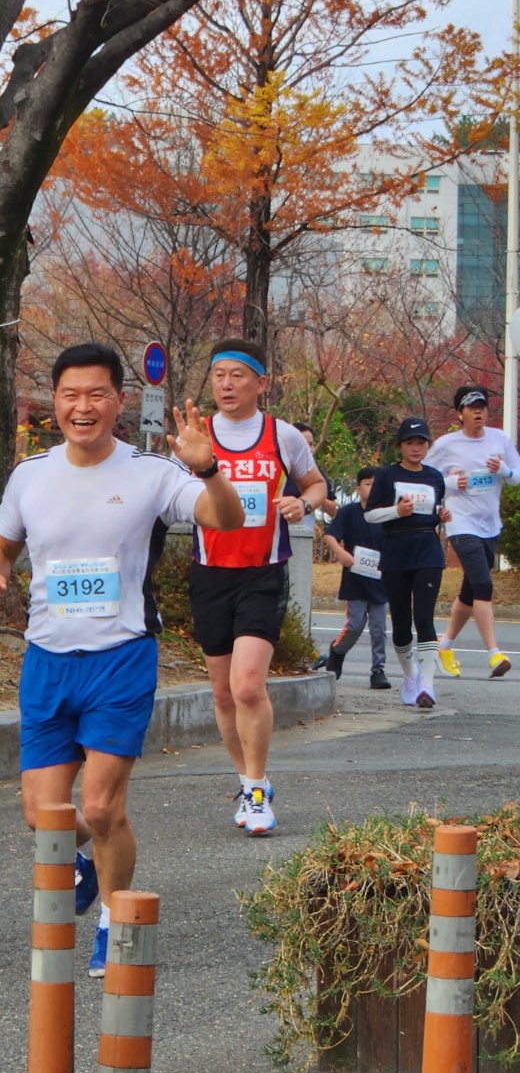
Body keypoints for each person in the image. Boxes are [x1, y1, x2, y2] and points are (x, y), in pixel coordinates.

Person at [0, 342, 243, 977]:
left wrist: (208, 470)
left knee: (99, 808)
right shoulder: (29, 475)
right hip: (47, 659)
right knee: (43, 814)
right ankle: (89, 863)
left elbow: (222, 521)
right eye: (70, 395)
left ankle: (115, 919)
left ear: (118, 401)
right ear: (55, 403)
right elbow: (2, 545)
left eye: (96, 395)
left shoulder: (150, 473)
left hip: (120, 658)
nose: (82, 407)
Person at [189, 338, 328, 837]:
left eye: (238, 375)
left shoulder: (282, 435)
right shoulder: (198, 436)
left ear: (261, 383)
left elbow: (316, 484)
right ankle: (249, 782)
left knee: (248, 684)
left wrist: (303, 505)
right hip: (210, 572)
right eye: (219, 375)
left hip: (262, 572)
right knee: (223, 695)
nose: (227, 384)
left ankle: (254, 788)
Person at [425, 386, 520, 679]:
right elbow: (425, 479)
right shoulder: (446, 444)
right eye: (471, 407)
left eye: (482, 406)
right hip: (460, 522)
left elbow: (517, 478)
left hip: (489, 524)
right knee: (483, 583)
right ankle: (494, 653)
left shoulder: (500, 439)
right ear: (460, 415)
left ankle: (446, 644)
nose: (478, 412)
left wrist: (503, 470)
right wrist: (452, 484)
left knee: (470, 589)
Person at [364, 417, 450, 707]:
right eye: (410, 443)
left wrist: (442, 516)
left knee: (424, 618)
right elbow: (370, 515)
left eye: (421, 443)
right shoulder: (386, 475)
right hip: (396, 549)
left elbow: (434, 512)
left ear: (428, 445)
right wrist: (396, 511)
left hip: (427, 547)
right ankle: (410, 675)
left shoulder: (435, 477)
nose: (416, 448)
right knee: (401, 624)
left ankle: (427, 685)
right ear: (400, 445)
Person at [320, 468, 391, 689]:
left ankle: (378, 670)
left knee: (379, 628)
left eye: (376, 484)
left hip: (381, 579)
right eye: (368, 483)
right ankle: (337, 651)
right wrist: (341, 553)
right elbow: (330, 535)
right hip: (356, 578)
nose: (372, 488)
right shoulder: (349, 513)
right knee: (355, 625)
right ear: (358, 487)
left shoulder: (389, 514)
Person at [295, 424, 338, 519]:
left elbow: (332, 511)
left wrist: (316, 495)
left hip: (307, 529)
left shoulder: (316, 474)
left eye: (311, 444)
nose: (310, 449)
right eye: (304, 444)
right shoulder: (276, 470)